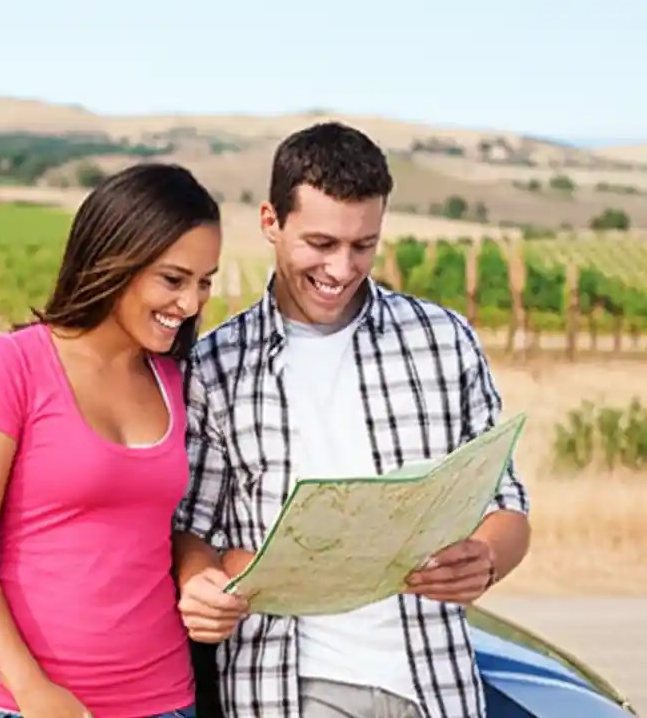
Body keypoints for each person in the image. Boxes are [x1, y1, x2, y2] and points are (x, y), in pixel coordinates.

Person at [172, 122, 531, 718]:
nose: (341, 268)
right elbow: (193, 532)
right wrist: (198, 584)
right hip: (284, 689)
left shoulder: (443, 341)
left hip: (436, 683)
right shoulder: (215, 365)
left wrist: (488, 558)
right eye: (320, 243)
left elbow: (508, 505)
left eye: (363, 245)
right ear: (270, 222)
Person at [0, 163, 248, 718]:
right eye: (173, 280)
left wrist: (206, 570)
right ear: (114, 261)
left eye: (205, 281)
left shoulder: (176, 381)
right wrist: (32, 691)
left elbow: (168, 534)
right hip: (12, 705)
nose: (192, 303)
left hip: (160, 701)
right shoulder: (12, 366)